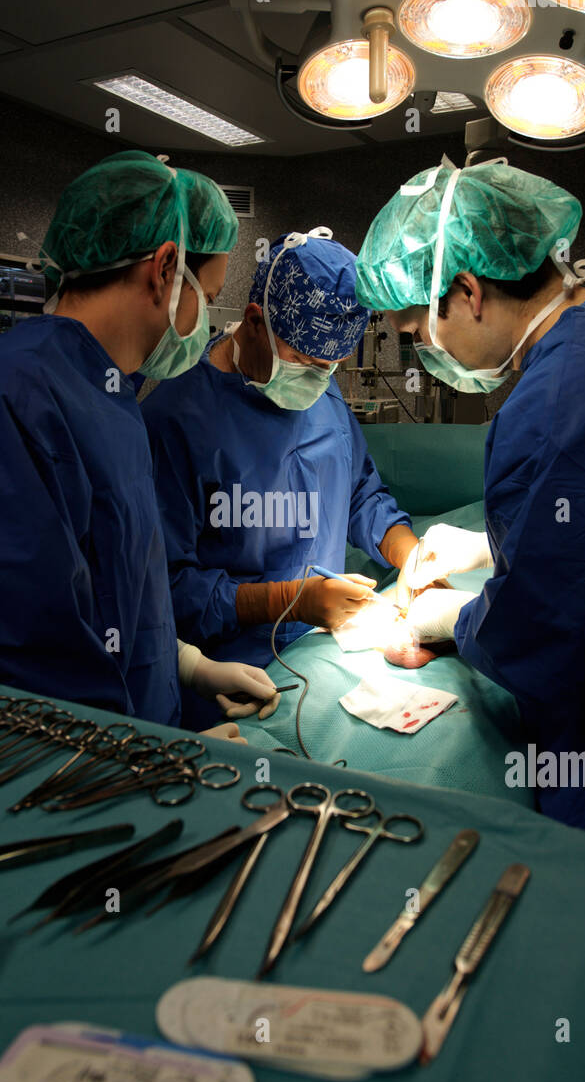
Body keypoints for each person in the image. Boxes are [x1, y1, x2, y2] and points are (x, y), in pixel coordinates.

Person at [356, 155, 585, 1006]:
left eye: (414, 331)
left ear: (468, 291)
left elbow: (546, 631)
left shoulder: (563, 396)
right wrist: (487, 548)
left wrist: (453, 621)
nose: (423, 353)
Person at [0, 151, 277, 731]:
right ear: (164, 268)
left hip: (116, 756)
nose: (206, 321)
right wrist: (157, 770)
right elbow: (19, 665)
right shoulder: (7, 396)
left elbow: (111, 594)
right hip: (50, 784)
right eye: (207, 297)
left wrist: (184, 665)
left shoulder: (111, 395)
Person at [141, 227, 419, 723]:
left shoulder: (322, 394)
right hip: (228, 683)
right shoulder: (176, 418)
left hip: (324, 662)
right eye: (304, 362)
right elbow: (166, 588)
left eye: (329, 367)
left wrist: (410, 553)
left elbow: (359, 493)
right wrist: (290, 600)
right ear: (253, 322)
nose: (317, 379)